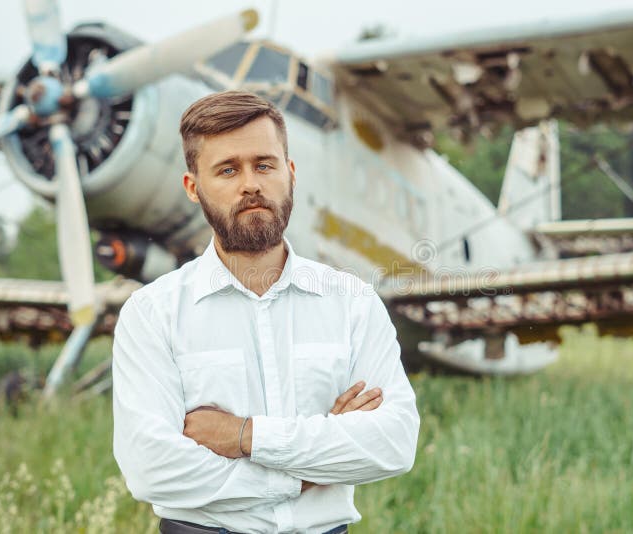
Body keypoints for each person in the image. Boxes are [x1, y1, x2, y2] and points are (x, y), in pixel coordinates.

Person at [112, 91, 420, 534]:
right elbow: (151, 467)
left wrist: (244, 435)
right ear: (193, 188)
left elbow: (393, 443)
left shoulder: (353, 303)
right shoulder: (151, 314)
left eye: (264, 165)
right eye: (227, 169)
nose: (250, 183)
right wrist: (305, 474)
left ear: (290, 174)